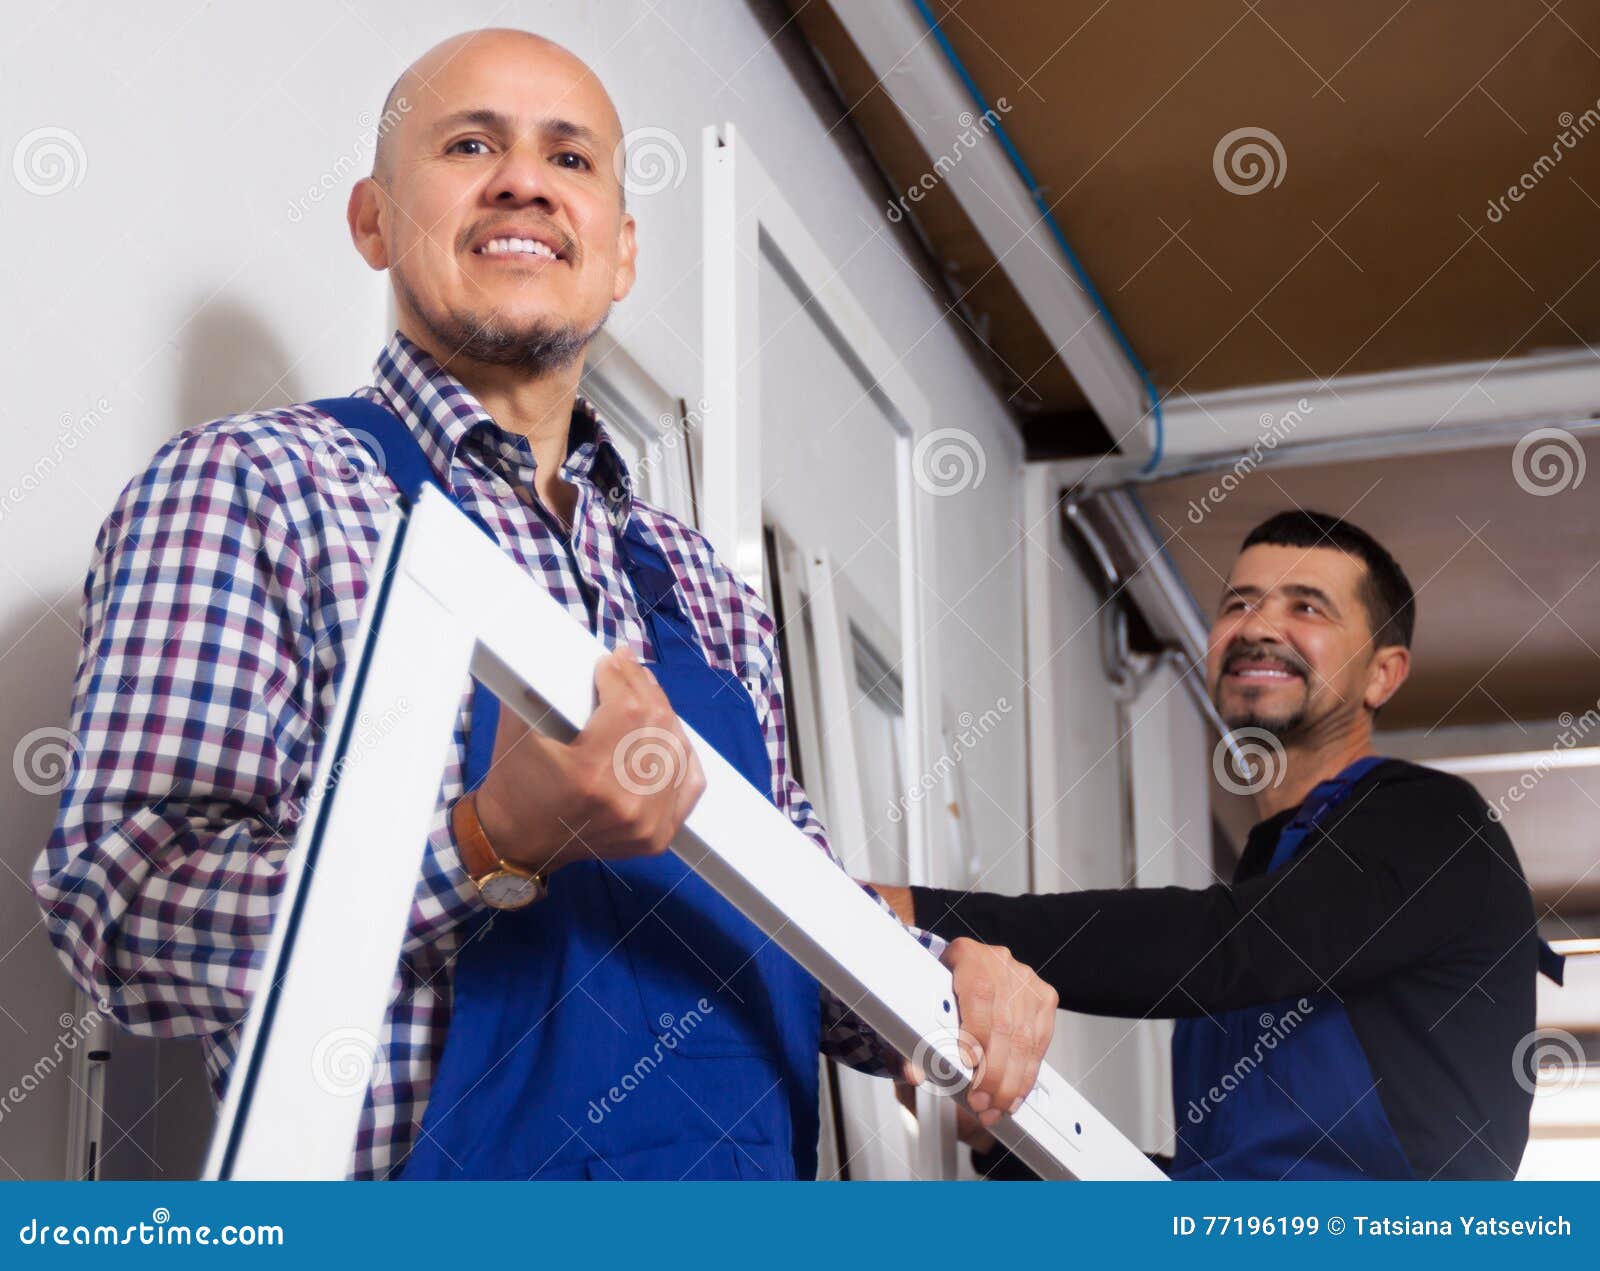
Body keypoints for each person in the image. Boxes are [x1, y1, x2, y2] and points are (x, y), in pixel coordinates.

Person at [32, 28, 1057, 1181]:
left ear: (620, 252)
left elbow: (788, 918)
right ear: (373, 220)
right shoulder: (258, 488)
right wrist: (485, 840)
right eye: (470, 145)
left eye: (570, 158)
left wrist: (944, 984)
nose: (524, 179)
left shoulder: (705, 592)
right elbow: (122, 915)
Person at [876, 510, 1561, 1180]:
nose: (1257, 628)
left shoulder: (1436, 824)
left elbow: (1222, 943)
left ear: (1383, 673)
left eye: (1307, 607)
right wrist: (999, 1137)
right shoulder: (1269, 889)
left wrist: (924, 916)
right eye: (1238, 604)